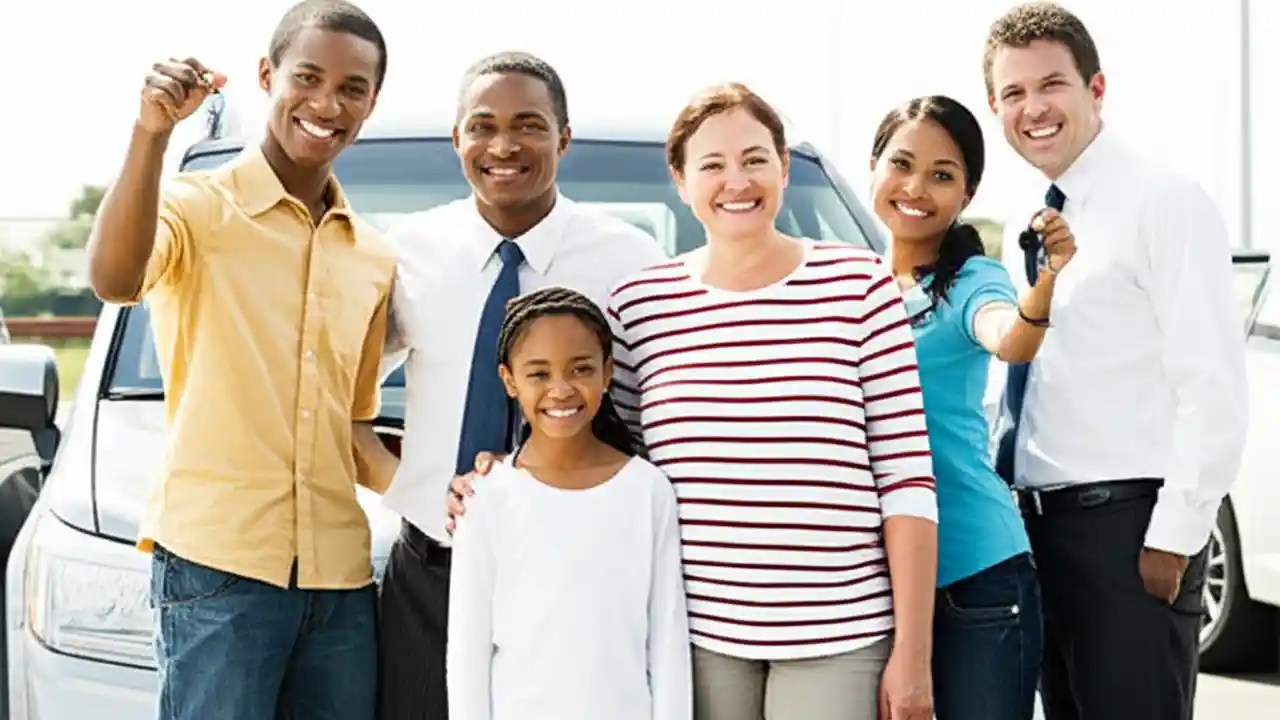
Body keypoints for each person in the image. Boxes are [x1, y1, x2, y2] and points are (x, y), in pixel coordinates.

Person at [85, 1, 392, 718]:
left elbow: (355, 428)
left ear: (371, 103)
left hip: (341, 581)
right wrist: (151, 134)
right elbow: (114, 280)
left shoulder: (372, 257)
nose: (327, 103)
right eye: (309, 77)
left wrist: (460, 508)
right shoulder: (196, 208)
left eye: (352, 88)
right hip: (218, 571)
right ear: (267, 75)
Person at [351, 51, 669, 718]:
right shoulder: (405, 253)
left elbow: (656, 423)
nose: (504, 145)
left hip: (577, 579)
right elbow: (339, 401)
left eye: (528, 124)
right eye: (483, 125)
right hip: (433, 571)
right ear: (457, 139)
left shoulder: (630, 262)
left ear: (563, 137)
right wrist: (411, 487)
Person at [614, 83, 936, 720]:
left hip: (840, 635)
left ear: (784, 168)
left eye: (755, 159)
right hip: (695, 635)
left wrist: (914, 654)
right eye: (712, 164)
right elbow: (613, 461)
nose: (737, 180)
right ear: (680, 181)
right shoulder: (638, 306)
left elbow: (905, 479)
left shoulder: (859, 284)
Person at [984, 4, 1249, 719]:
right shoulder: (1024, 220)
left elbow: (1213, 383)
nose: (1033, 108)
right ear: (995, 107)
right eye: (1013, 94)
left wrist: (1174, 538)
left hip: (1129, 536)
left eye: (1052, 85)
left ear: (1095, 88)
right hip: (1038, 532)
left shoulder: (1164, 202)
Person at [868, 95, 1075, 719]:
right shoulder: (846, 283)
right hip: (869, 585)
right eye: (901, 163)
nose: (916, 188)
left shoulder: (970, 280)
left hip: (975, 574)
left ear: (967, 193)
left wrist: (1043, 285)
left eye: (942, 175)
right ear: (873, 167)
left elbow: (1007, 335)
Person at [446, 286, 692, 720]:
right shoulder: (486, 499)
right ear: (509, 380)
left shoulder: (647, 491)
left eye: (580, 369)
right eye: (538, 374)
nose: (561, 389)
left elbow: (668, 642)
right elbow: (467, 649)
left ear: (607, 372)